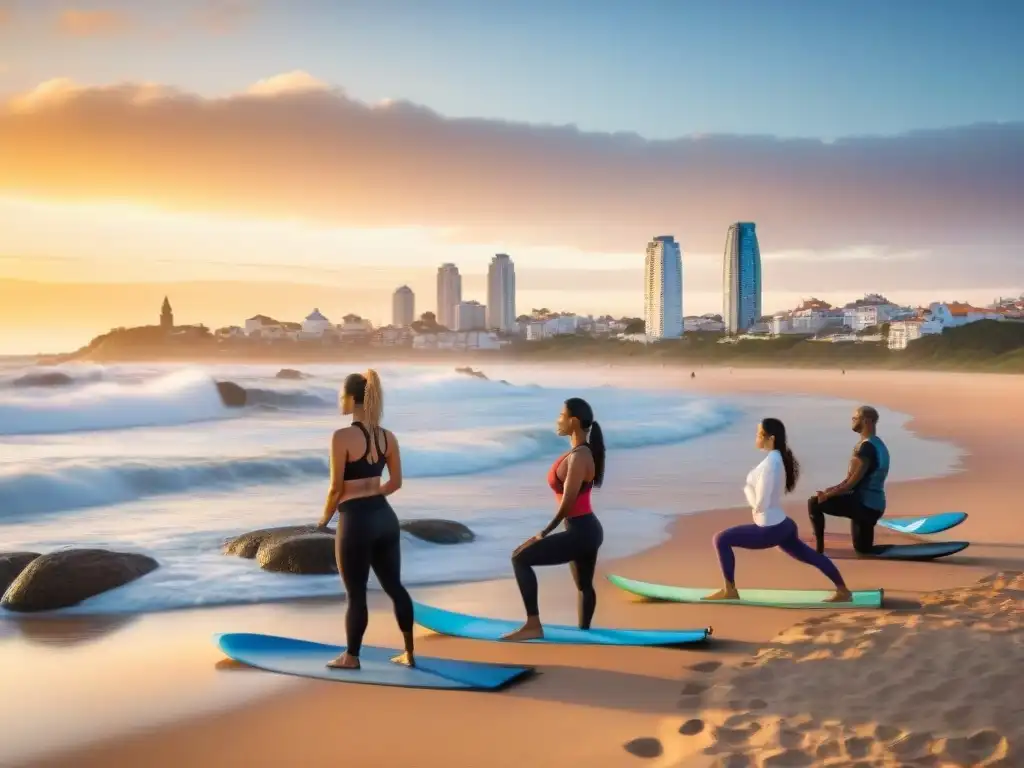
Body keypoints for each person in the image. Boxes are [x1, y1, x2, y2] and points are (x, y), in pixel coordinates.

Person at [315, 369, 415, 669]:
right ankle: (409, 653)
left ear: (350, 398)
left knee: (356, 593)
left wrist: (323, 520)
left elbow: (335, 488)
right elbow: (395, 482)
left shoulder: (341, 437)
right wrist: (373, 495)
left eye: (340, 396)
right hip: (385, 517)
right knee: (395, 587)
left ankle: (352, 657)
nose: (338, 401)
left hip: (355, 521)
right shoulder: (388, 437)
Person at [704, 418, 852, 603]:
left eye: (759, 434)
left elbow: (761, 504)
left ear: (771, 438)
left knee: (721, 539)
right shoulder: (777, 459)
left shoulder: (771, 465)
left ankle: (730, 590)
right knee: (810, 556)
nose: (756, 437)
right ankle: (843, 590)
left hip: (769, 529)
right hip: (783, 525)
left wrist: (747, 490)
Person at [502, 397, 606, 641]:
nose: (558, 420)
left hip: (580, 531)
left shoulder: (579, 456)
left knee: (519, 558)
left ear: (574, 421)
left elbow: (568, 501)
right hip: (587, 530)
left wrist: (544, 533)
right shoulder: (581, 452)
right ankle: (586, 635)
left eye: (561, 415)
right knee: (584, 586)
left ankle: (533, 625)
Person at [808, 405, 890, 556]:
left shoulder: (866, 448)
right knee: (862, 549)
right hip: (875, 506)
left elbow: (852, 483)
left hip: (864, 506)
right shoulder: (879, 444)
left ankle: (818, 551)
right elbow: (853, 482)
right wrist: (831, 490)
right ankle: (865, 544)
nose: (852, 421)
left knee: (814, 503)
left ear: (866, 421)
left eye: (855, 418)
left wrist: (827, 495)